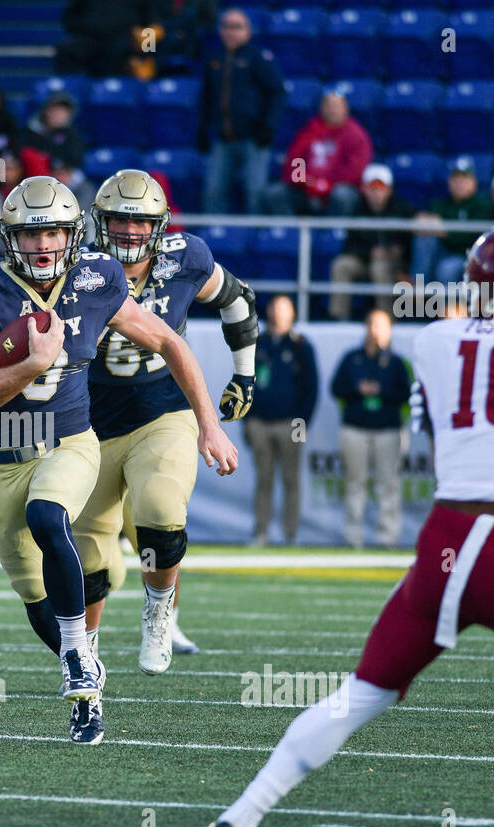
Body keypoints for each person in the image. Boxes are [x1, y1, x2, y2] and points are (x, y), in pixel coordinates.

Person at [204, 222, 494, 827]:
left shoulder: (437, 340)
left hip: (443, 545)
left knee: (362, 692)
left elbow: (444, 419)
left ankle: (237, 818)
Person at [0, 175, 237, 745]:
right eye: (31, 235)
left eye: (55, 231)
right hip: (1, 452)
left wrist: (208, 421)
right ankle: (81, 658)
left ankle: (82, 676)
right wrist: (32, 366)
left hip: (69, 441)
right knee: (37, 601)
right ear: (9, 238)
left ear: (74, 232)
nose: (43, 245)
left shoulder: (96, 278)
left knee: (49, 517)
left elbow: (171, 342)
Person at [74, 169, 260, 675]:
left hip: (163, 410)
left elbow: (238, 298)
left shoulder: (186, 258)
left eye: (140, 223)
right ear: (99, 221)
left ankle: (160, 613)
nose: (129, 232)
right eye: (118, 220)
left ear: (161, 226)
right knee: (89, 558)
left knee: (159, 507)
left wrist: (244, 374)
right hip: (86, 425)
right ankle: (83, 651)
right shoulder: (76, 266)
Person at [330, 309, 411, 549]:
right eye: (372, 325)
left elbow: (406, 393)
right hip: (355, 427)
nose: (375, 331)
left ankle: (387, 538)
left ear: (389, 331)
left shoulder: (397, 363)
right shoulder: (351, 358)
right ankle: (352, 537)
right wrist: (358, 388)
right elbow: (336, 388)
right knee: (355, 483)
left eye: (381, 326)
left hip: (387, 429)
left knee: (388, 484)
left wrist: (380, 391)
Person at [245, 295, 318, 547]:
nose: (279, 313)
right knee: (263, 478)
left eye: (284, 308)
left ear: (293, 314)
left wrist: (302, 423)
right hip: (260, 423)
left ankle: (290, 534)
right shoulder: (258, 342)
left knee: (291, 479)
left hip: (291, 423)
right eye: (276, 307)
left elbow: (311, 389)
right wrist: (248, 420)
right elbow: (245, 382)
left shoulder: (300, 346)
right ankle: (261, 532)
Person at [199, 7, 285, 214]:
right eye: (226, 26)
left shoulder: (258, 58)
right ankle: (214, 240)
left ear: (248, 31)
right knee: (212, 191)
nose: (231, 32)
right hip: (223, 138)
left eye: (237, 27)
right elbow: (206, 97)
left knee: (255, 193)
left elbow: (277, 93)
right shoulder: (214, 59)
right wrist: (201, 128)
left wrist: (268, 127)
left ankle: (257, 242)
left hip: (253, 139)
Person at [258, 91, 371, 217]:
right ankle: (289, 234)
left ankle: (334, 234)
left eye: (337, 106)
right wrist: (305, 180)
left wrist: (327, 182)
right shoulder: (310, 130)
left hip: (336, 188)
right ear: (321, 108)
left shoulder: (355, 134)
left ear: (346, 109)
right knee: (275, 194)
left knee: (342, 195)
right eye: (328, 105)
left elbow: (355, 169)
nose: (332, 110)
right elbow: (295, 159)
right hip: (307, 188)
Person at [328, 164, 417, 320]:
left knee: (380, 268)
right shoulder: (358, 210)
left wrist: (395, 251)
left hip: (396, 265)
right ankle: (339, 316)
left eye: (381, 187)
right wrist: (370, 252)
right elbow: (349, 246)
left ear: (389, 189)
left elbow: (411, 241)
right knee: (341, 265)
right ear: (364, 189)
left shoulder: (402, 209)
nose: (376, 192)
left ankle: (385, 318)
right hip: (366, 260)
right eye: (372, 187)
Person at [410, 157, 494, 287]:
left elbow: (471, 237)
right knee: (425, 238)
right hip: (442, 251)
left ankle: (445, 307)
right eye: (456, 178)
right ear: (449, 182)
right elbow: (419, 221)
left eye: (464, 178)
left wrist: (445, 230)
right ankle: (417, 286)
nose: (459, 183)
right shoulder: (442, 203)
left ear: (474, 183)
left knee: (447, 269)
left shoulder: (483, 205)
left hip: (468, 256)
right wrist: (446, 231)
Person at [54, 0, 159, 77]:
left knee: (119, 50)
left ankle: (113, 92)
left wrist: (147, 55)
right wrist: (85, 28)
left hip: (125, 40)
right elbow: (70, 17)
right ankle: (71, 94)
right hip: (90, 37)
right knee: (66, 48)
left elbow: (152, 26)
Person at [23, 91, 88, 206]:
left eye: (64, 111)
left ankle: (80, 221)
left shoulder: (73, 135)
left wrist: (67, 172)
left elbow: (77, 161)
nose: (60, 114)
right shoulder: (30, 133)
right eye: (56, 110)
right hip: (36, 181)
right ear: (47, 111)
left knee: (86, 189)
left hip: (66, 179)